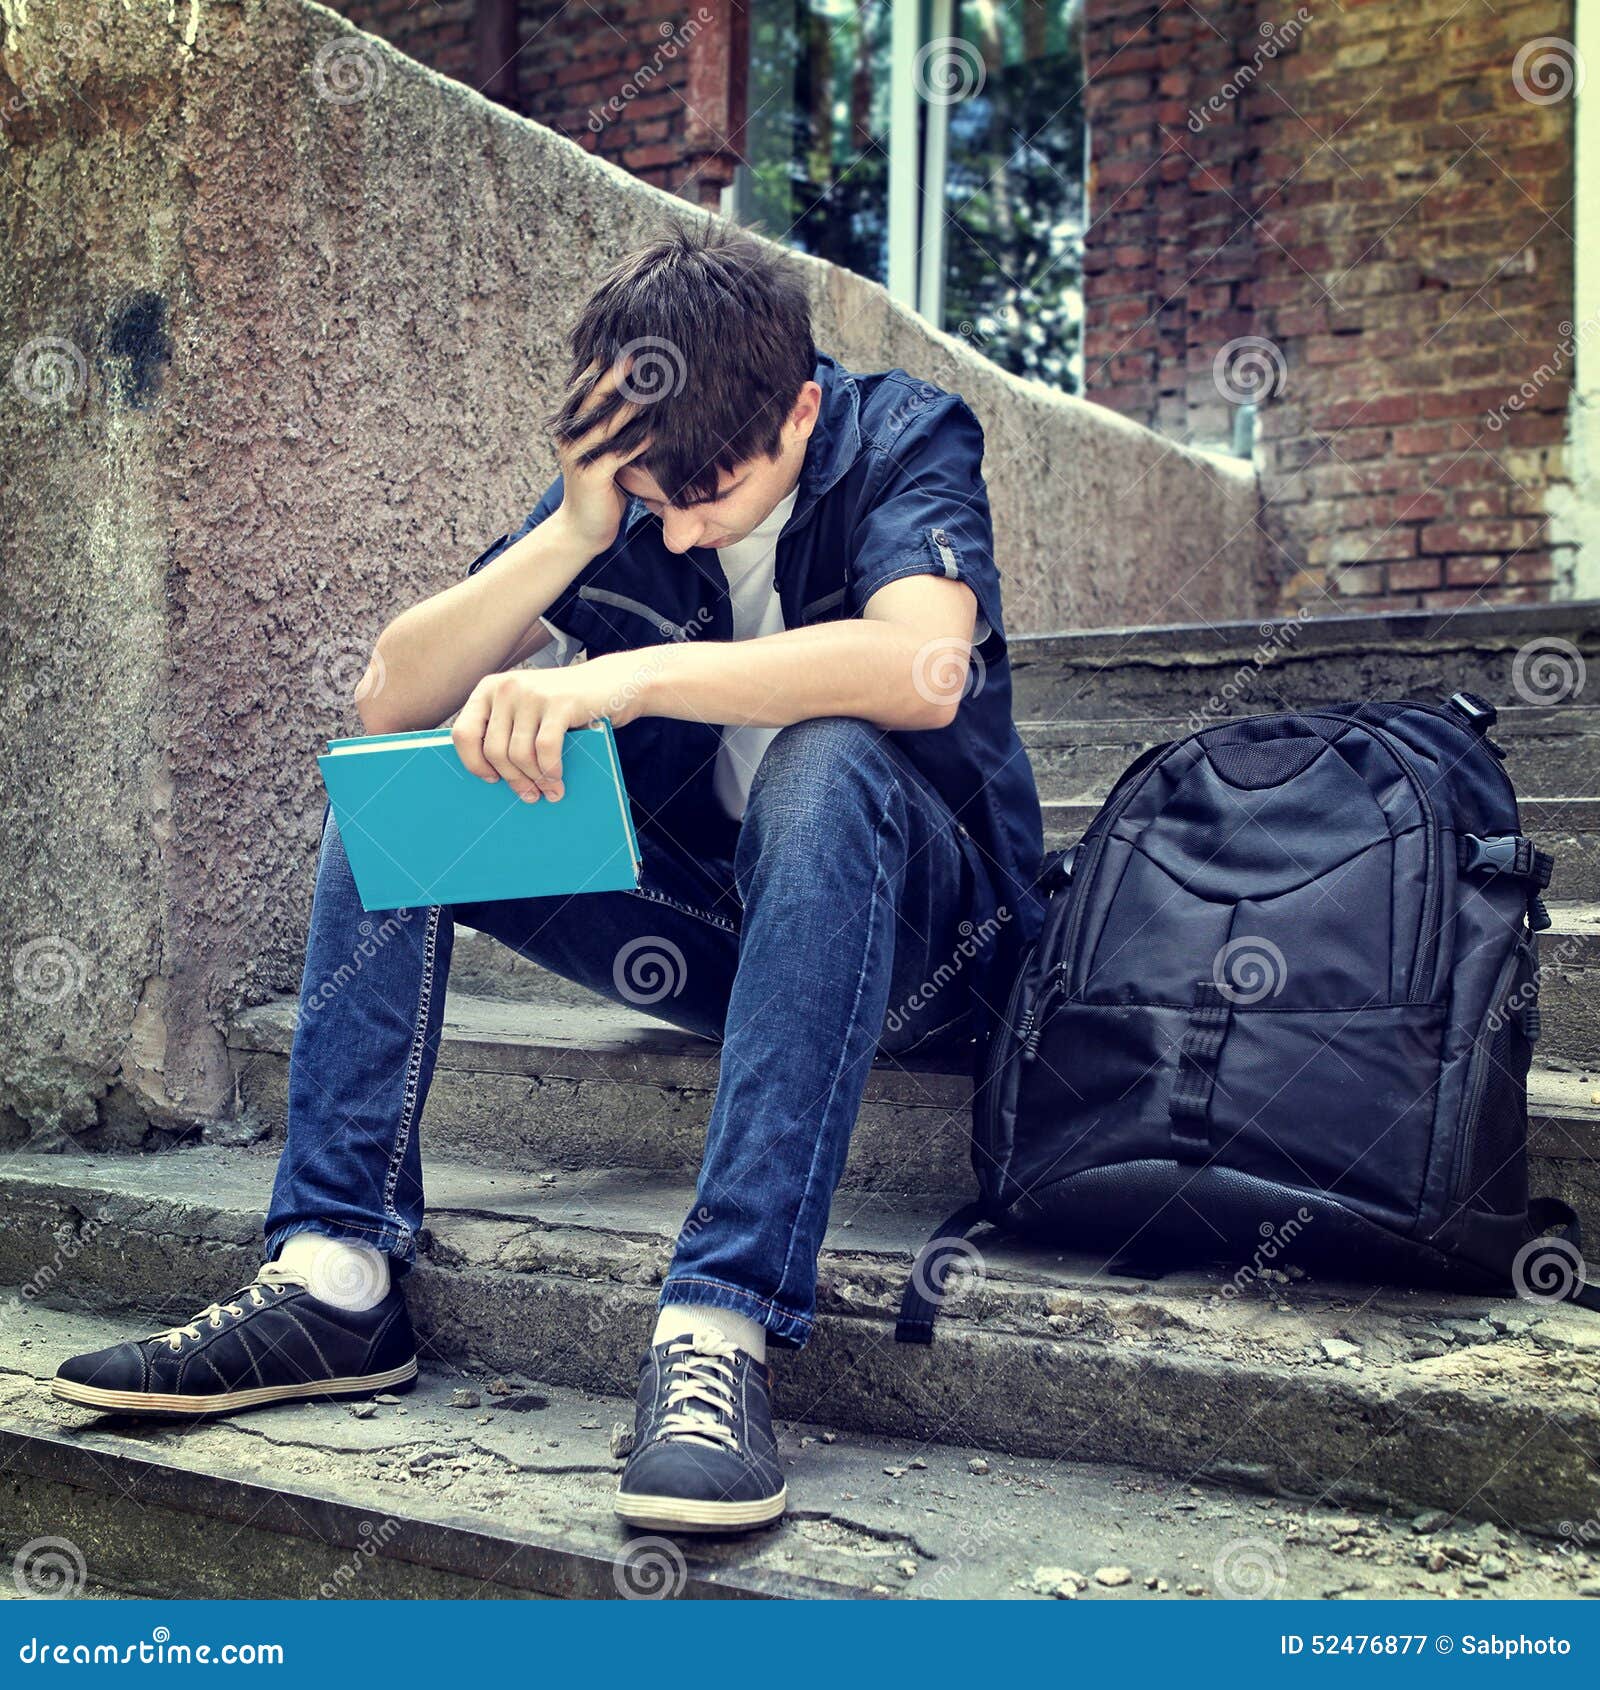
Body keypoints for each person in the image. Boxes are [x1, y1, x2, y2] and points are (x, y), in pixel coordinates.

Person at [53, 219, 1045, 1535]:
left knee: (824, 757)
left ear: (802, 411)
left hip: (936, 956)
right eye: (652, 499)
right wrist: (579, 523)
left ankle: (718, 1326)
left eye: (714, 495)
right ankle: (336, 1273)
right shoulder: (626, 492)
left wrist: (617, 676)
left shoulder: (906, 437)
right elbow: (392, 690)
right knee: (409, 788)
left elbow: (921, 665)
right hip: (733, 939)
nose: (681, 533)